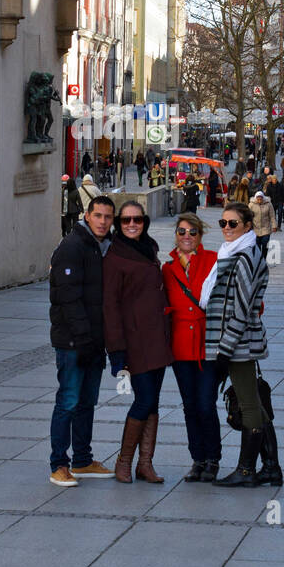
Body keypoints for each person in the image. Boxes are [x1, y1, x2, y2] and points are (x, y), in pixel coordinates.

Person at [202, 201, 282, 488]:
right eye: (223, 223)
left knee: (248, 405)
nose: (226, 228)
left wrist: (224, 349)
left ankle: (246, 470)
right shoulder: (234, 253)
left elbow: (243, 307)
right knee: (253, 403)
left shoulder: (246, 257)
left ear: (248, 226)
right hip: (235, 342)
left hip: (238, 344)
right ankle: (271, 467)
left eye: (232, 223)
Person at [48, 194, 117, 485]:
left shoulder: (104, 247)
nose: (103, 221)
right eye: (98, 215)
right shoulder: (73, 246)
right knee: (69, 400)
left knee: (87, 401)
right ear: (87, 216)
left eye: (108, 217)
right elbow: (67, 295)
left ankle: (83, 460)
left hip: (94, 341)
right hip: (73, 341)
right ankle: (58, 464)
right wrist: (83, 338)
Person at [103, 201, 173, 483]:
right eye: (125, 220)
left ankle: (145, 463)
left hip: (157, 338)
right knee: (143, 400)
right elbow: (110, 307)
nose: (132, 224)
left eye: (138, 219)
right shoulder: (114, 257)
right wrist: (117, 351)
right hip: (135, 342)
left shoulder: (150, 248)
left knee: (153, 402)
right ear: (118, 225)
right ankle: (124, 461)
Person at [162, 213, 222, 482]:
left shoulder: (213, 261)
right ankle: (197, 459)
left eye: (192, 232)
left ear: (200, 235)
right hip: (180, 347)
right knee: (189, 405)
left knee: (206, 403)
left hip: (209, 344)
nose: (187, 236)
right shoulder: (167, 268)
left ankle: (213, 458)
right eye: (182, 231)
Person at [249, 189, 276, 257]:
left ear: (263, 198)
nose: (259, 200)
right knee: (257, 246)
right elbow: (248, 216)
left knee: (265, 244)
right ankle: (258, 259)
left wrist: (274, 226)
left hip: (266, 228)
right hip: (255, 228)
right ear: (256, 198)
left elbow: (272, 216)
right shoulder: (251, 205)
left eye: (261, 199)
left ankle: (263, 258)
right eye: (258, 199)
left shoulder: (268, 204)